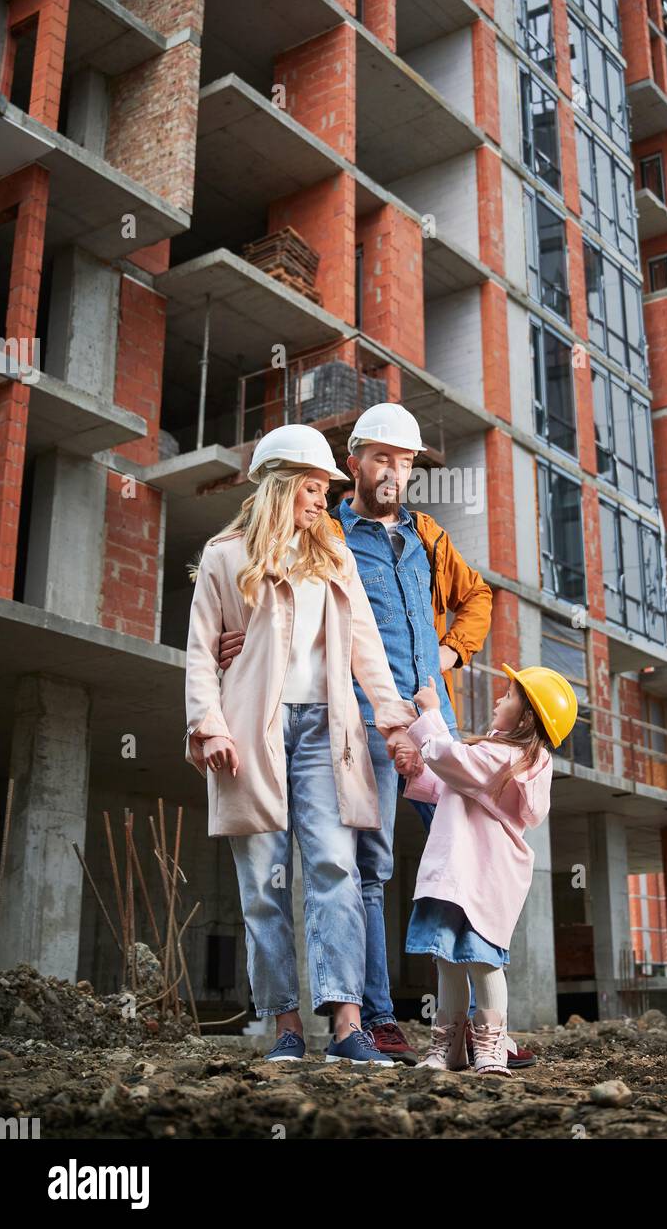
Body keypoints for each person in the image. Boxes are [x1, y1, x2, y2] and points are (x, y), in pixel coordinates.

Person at [217, 402, 499, 1066]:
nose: (393, 472)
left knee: (463, 860)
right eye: (381, 458)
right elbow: (278, 602)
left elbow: (478, 598)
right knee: (365, 869)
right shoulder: (326, 533)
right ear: (354, 465)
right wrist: (245, 642)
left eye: (403, 461)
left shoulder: (428, 536)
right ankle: (375, 1020)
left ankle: (478, 1024)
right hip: (354, 720)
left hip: (432, 720)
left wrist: (451, 656)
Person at [183, 424, 419, 1067]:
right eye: (312, 488)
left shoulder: (333, 557)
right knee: (261, 881)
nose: (323, 500)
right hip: (249, 734)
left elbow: (366, 649)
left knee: (335, 868)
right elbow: (202, 650)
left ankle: (347, 1025)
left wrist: (394, 724)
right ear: (281, 486)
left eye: (325, 489)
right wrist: (209, 727)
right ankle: (284, 1025)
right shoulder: (225, 555)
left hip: (326, 732)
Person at [393, 664, 577, 1074]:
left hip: (474, 876)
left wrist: (430, 714)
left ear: (528, 716)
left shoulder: (512, 757)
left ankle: (488, 1046)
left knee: (480, 959)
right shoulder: (499, 757)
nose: (499, 699)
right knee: (449, 958)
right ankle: (450, 1048)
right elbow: (454, 783)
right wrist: (421, 771)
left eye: (509, 695)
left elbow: (451, 758)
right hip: (463, 876)